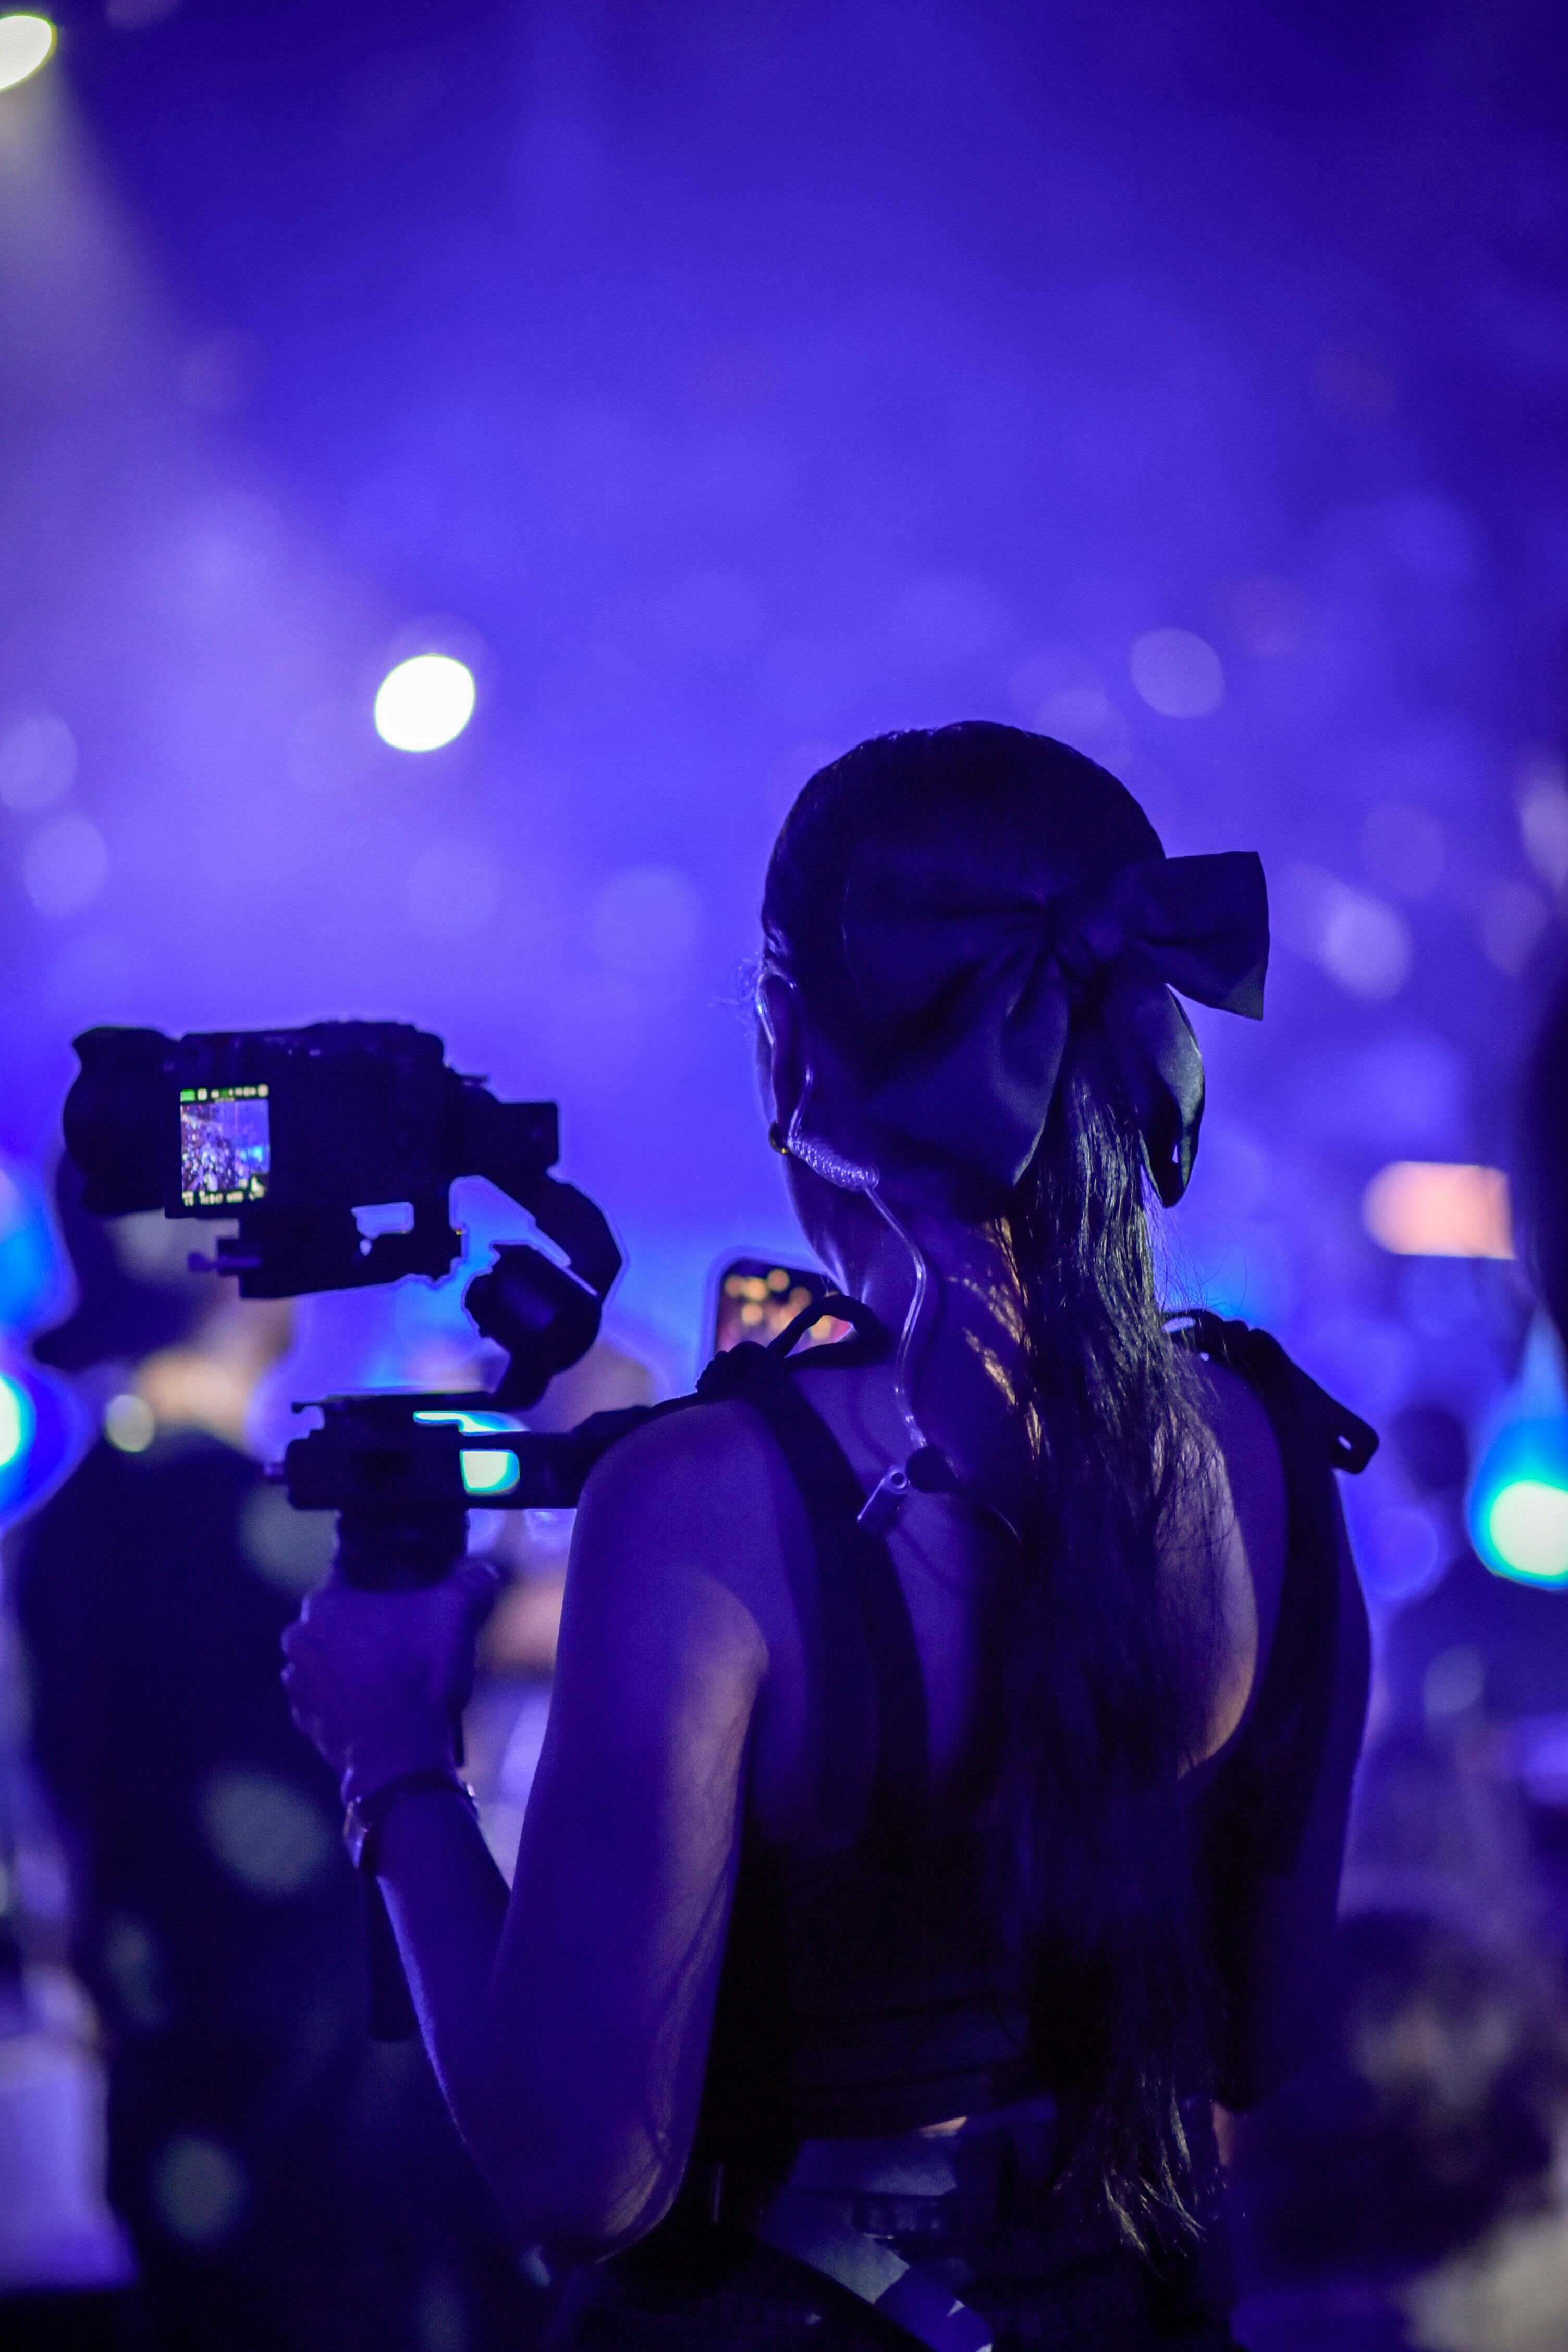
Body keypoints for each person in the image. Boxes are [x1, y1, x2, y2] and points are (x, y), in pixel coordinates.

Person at [283, 723, 1374, 2350]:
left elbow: (583, 2174)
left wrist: (391, 1761)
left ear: (786, 1050)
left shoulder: (712, 1501)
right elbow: (1263, 2045)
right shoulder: (1272, 1443)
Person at [11, 1166, 541, 2352]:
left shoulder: (67, 1525)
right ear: (232, 1279)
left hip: (178, 2102)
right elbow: (509, 1627)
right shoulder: (244, 1520)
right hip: (320, 2102)